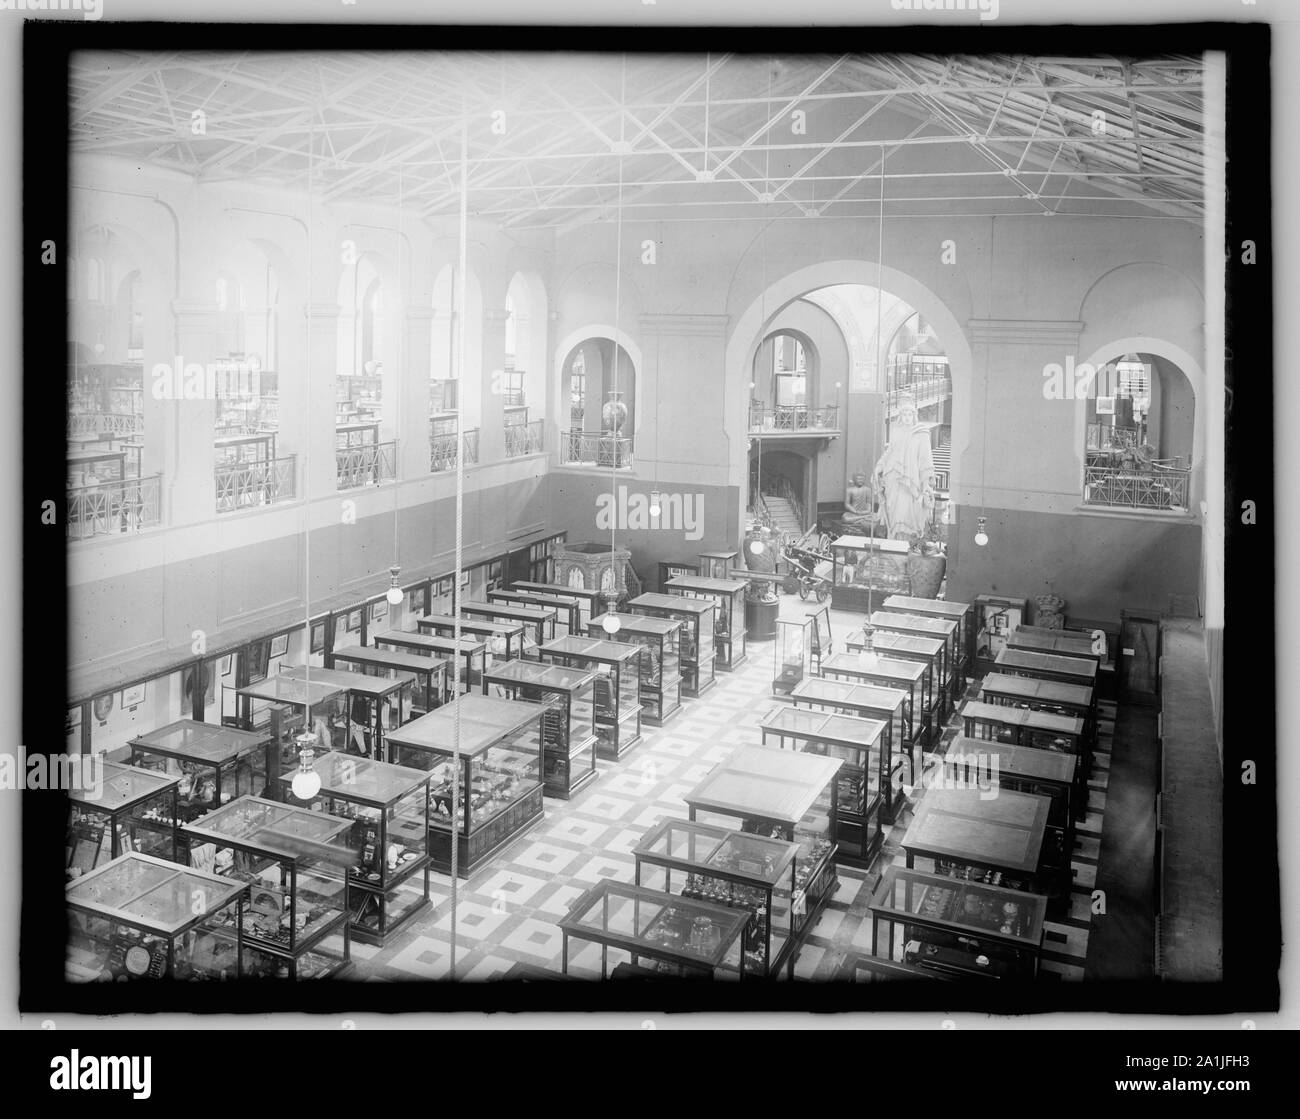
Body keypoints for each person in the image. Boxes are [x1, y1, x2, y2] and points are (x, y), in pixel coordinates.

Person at [872, 393, 936, 540]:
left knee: (908, 512)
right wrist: (879, 466)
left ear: (914, 415)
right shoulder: (896, 430)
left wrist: (926, 483)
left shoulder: (922, 433)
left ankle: (907, 542)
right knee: (893, 510)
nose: (907, 417)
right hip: (893, 475)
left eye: (909, 414)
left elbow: (926, 460)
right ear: (901, 415)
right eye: (904, 414)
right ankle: (892, 538)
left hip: (911, 480)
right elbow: (890, 451)